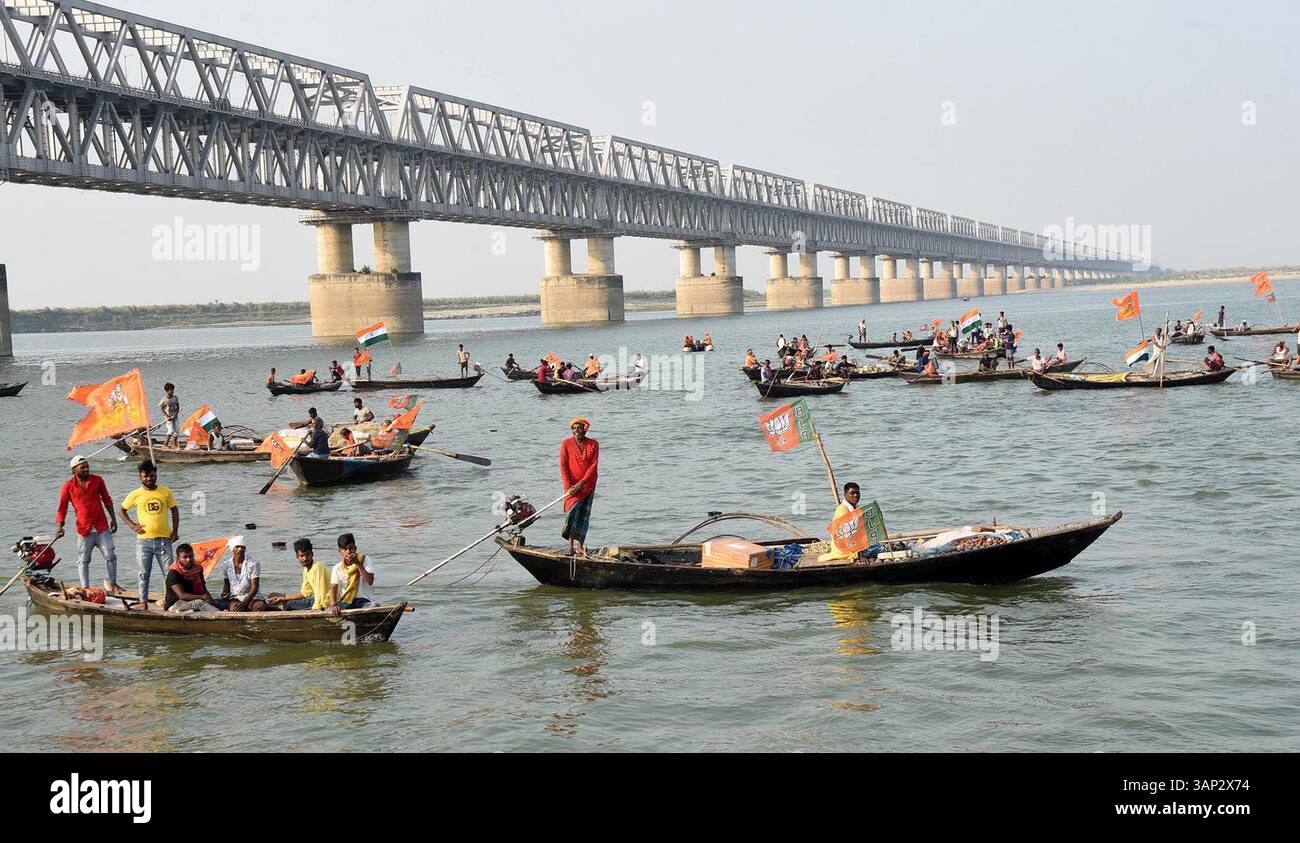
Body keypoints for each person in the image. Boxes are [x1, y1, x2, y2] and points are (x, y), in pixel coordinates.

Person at [55, 455, 121, 592]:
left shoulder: (97, 480)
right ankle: (85, 588)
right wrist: (60, 526)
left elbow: (107, 500)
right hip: (84, 530)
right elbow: (62, 508)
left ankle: (113, 583)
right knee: (83, 560)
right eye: (82, 467)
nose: (86, 469)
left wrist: (113, 519)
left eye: (87, 466)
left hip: (102, 526)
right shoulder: (67, 487)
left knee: (110, 555)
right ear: (74, 470)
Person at [119, 460, 179, 610]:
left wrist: (175, 531)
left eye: (152, 476)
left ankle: (169, 602)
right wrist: (133, 525)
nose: (149, 479)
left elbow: (174, 510)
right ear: (140, 477)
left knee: (169, 574)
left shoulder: (165, 491)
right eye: (145, 476)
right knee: (143, 573)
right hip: (143, 542)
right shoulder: (135, 494)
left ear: (156, 475)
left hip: (164, 540)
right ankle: (143, 603)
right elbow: (121, 510)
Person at [560, 418, 599, 557]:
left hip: (588, 484)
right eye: (574, 428)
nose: (576, 431)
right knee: (572, 513)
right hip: (571, 487)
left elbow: (593, 466)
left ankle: (580, 546)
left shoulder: (593, 444)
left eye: (579, 428)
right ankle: (570, 546)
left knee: (584, 514)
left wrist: (581, 483)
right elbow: (563, 466)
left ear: (585, 429)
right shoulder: (566, 444)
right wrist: (568, 486)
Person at [268, 538, 333, 611]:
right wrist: (284, 598)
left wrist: (314, 610)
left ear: (312, 554)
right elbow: (305, 592)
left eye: (307, 555)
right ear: (297, 557)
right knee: (288, 603)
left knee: (288, 608)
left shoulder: (317, 568)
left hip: (328, 603)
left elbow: (321, 594)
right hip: (318, 601)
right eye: (302, 556)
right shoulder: (306, 570)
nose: (305, 558)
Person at [328, 533, 376, 616]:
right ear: (340, 551)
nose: (348, 551)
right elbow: (333, 588)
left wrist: (357, 563)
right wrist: (334, 604)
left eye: (351, 548)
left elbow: (370, 581)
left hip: (365, 601)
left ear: (355, 548)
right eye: (345, 549)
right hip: (346, 602)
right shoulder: (337, 568)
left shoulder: (365, 560)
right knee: (329, 611)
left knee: (374, 606)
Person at [164, 543, 219, 613]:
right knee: (199, 603)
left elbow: (203, 589)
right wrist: (203, 597)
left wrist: (211, 601)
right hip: (175, 605)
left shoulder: (198, 569)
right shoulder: (173, 573)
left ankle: (219, 611)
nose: (188, 559)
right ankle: (221, 615)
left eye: (191, 556)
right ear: (178, 559)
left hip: (191, 601)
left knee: (216, 602)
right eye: (185, 557)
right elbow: (182, 596)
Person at [819, 482, 865, 563]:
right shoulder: (842, 511)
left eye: (857, 492)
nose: (855, 495)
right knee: (880, 549)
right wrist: (860, 554)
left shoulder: (856, 508)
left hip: (853, 545)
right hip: (844, 550)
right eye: (852, 493)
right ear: (845, 494)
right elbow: (848, 535)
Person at [219, 537, 266, 612]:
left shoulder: (253, 564)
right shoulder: (226, 565)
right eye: (237, 547)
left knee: (259, 606)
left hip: (253, 597)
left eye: (242, 547)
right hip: (235, 597)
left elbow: (254, 587)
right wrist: (224, 594)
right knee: (235, 609)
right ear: (232, 549)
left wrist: (244, 603)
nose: (240, 549)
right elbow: (227, 584)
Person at [158, 383, 180, 448]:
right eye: (171, 390)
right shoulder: (164, 400)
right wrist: (167, 416)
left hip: (175, 417)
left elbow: (178, 406)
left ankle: (174, 444)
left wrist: (176, 413)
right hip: (168, 417)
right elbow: (162, 409)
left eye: (173, 390)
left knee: (177, 431)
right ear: (167, 391)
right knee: (171, 430)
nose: (173, 391)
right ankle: (165, 444)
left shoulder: (175, 398)